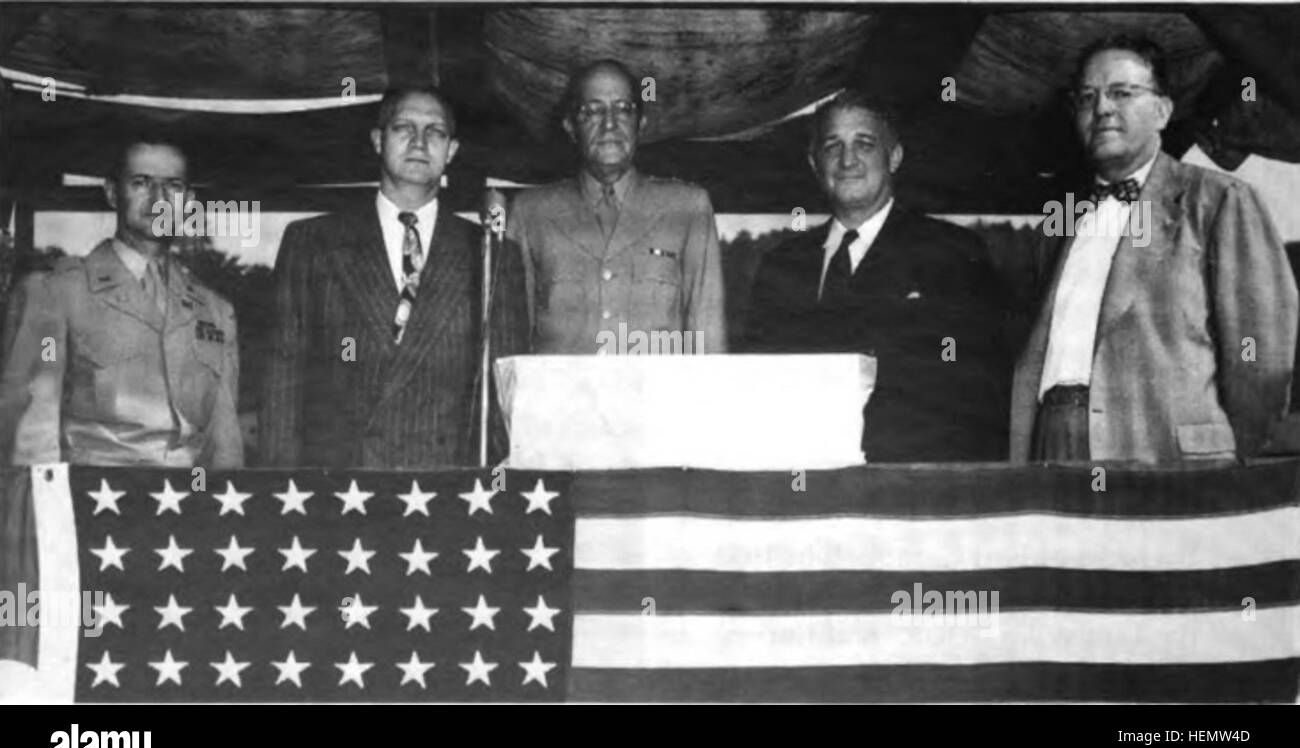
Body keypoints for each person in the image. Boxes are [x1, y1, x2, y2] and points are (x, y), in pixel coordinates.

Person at [1011, 35, 1298, 463]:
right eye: (1088, 98)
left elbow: (1260, 354)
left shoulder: (1220, 199)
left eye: (1122, 93)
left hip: (1167, 455)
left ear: (1163, 111)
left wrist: (1224, 457)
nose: (1102, 108)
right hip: (1053, 443)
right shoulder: (1063, 216)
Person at [260, 85, 529, 469]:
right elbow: (282, 388)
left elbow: (507, 396)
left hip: (450, 493)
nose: (419, 142)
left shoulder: (493, 254)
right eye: (404, 127)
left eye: (435, 131)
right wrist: (283, 495)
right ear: (377, 140)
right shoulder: (313, 243)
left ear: (451, 150)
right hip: (339, 490)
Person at [742, 91, 1012, 462]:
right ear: (813, 163)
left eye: (864, 144)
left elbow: (983, 395)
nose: (847, 160)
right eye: (832, 146)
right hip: (802, 482)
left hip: (910, 488)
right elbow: (758, 388)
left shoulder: (952, 253)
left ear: (894, 157)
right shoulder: (780, 265)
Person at [0, 136, 242, 467]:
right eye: (141, 183)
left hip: (188, 510)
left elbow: (224, 446)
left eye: (172, 186)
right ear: (113, 193)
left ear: (188, 201)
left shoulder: (215, 312)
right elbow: (29, 439)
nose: (159, 199)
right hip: (92, 506)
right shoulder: (56, 294)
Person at [507, 59, 726, 355]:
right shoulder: (531, 212)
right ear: (571, 127)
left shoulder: (688, 207)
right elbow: (511, 341)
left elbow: (708, 341)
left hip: (654, 399)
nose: (609, 123)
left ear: (641, 124)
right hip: (561, 400)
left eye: (623, 109)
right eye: (593, 110)